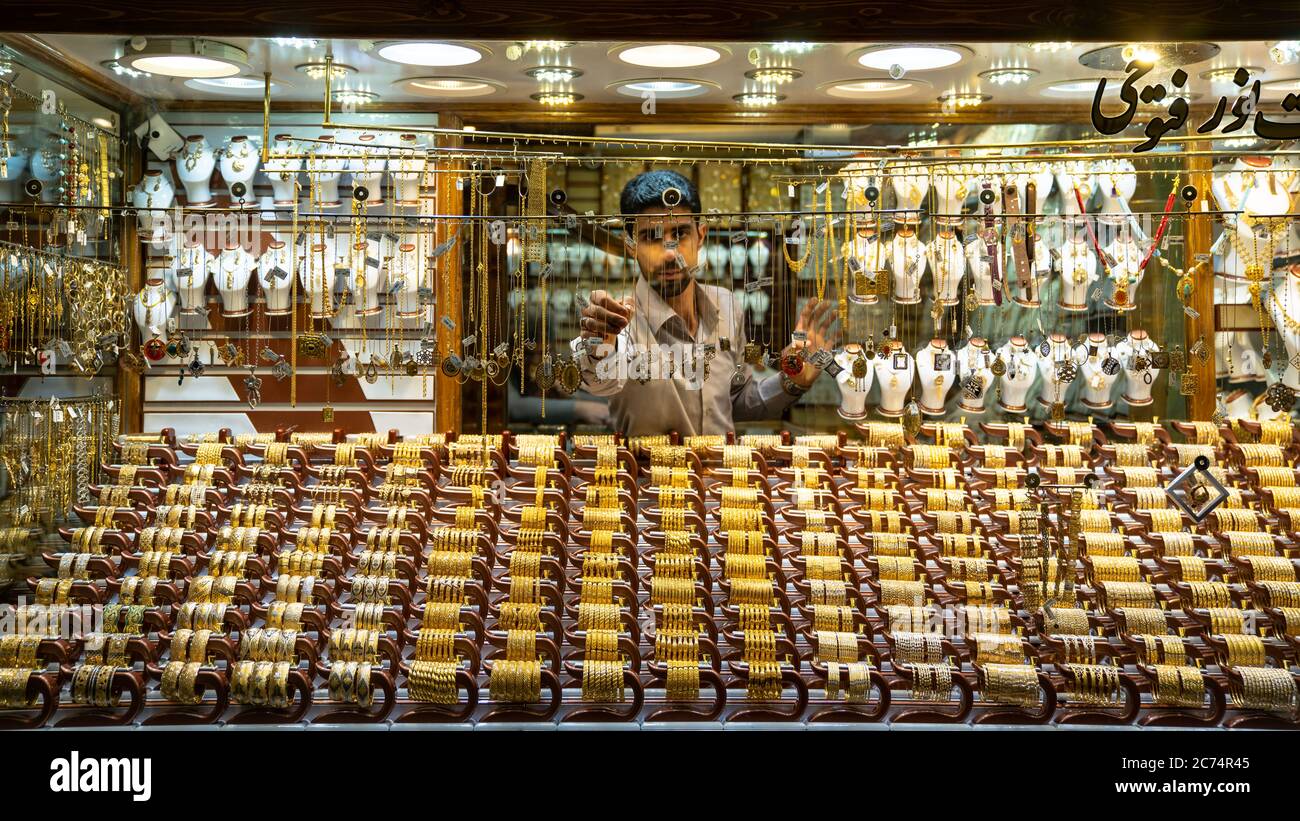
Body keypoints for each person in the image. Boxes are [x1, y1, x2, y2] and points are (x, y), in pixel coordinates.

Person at [571, 169, 838, 436]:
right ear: (630, 245)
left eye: (681, 233)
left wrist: (792, 382)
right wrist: (597, 348)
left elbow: (734, 400)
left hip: (720, 475)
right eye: (651, 237)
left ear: (700, 236)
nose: (670, 253)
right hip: (647, 477)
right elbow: (598, 380)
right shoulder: (618, 323)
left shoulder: (726, 305)